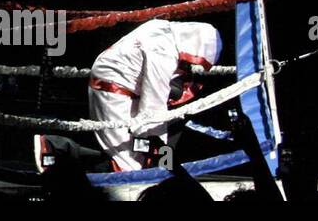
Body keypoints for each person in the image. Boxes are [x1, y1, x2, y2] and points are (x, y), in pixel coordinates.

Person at [35, 19, 223, 173]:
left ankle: (60, 148)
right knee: (127, 163)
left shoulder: (163, 27)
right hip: (115, 89)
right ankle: (55, 146)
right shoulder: (163, 53)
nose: (189, 64)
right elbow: (152, 109)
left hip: (121, 84)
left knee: (131, 149)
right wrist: (159, 151)